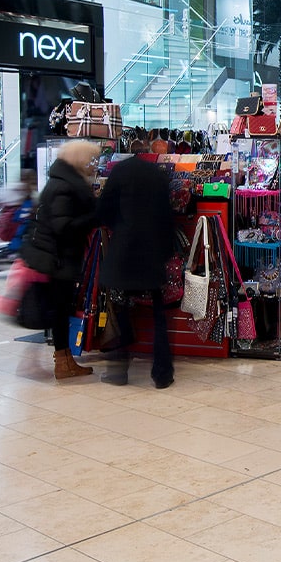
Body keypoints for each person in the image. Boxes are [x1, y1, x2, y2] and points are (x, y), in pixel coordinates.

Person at [20, 140, 100, 380]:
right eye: (91, 159)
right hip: (57, 258)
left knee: (61, 310)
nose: (93, 165)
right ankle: (63, 363)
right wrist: (95, 217)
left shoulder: (61, 182)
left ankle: (64, 361)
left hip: (55, 256)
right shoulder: (65, 186)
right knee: (60, 310)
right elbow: (63, 226)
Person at [97, 150, 177, 388]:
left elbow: (104, 211)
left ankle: (118, 372)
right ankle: (162, 373)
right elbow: (167, 217)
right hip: (152, 251)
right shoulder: (158, 175)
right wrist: (166, 250)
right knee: (158, 314)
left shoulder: (119, 172)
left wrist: (120, 228)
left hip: (124, 250)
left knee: (120, 309)